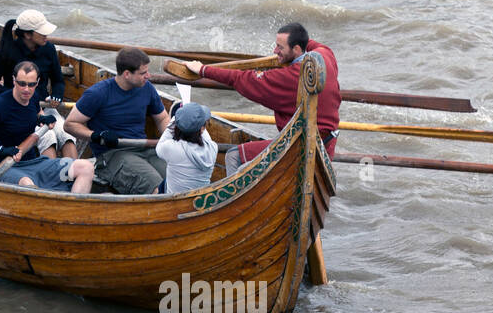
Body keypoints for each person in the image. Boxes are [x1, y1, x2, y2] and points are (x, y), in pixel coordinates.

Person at [181, 22, 342, 173]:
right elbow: (311, 44)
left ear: (297, 48)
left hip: (302, 146)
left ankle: (240, 195)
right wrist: (288, 49)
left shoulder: (289, 76)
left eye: (280, 47)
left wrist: (203, 70)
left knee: (233, 156)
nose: (275, 51)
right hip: (326, 145)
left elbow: (240, 79)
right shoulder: (325, 54)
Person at [0, 62, 95, 193]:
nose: (26, 89)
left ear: (37, 82)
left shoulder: (33, 97)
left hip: (36, 163)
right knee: (27, 184)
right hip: (7, 167)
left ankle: (72, 205)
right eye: (22, 84)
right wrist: (0, 149)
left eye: (31, 84)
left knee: (86, 167)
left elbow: (37, 113)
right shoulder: (0, 104)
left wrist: (42, 118)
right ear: (14, 80)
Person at [64, 47, 170, 195]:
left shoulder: (147, 88)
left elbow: (162, 118)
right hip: (113, 154)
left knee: (176, 180)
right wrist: (96, 135)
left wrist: (171, 137)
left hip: (145, 149)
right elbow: (70, 124)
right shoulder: (97, 93)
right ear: (127, 74)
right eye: (143, 73)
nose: (148, 76)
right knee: (157, 190)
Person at [0, 9, 66, 110]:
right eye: (42, 32)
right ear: (27, 35)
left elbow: (58, 81)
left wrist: (57, 96)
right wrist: (13, 97)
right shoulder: (8, 50)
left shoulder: (49, 49)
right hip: (12, 104)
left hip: (40, 105)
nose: (46, 36)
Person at [156, 102, 219, 193]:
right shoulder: (213, 148)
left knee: (163, 184)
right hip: (200, 197)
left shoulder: (171, 148)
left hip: (175, 199)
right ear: (202, 128)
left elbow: (160, 145)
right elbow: (203, 132)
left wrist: (174, 120)